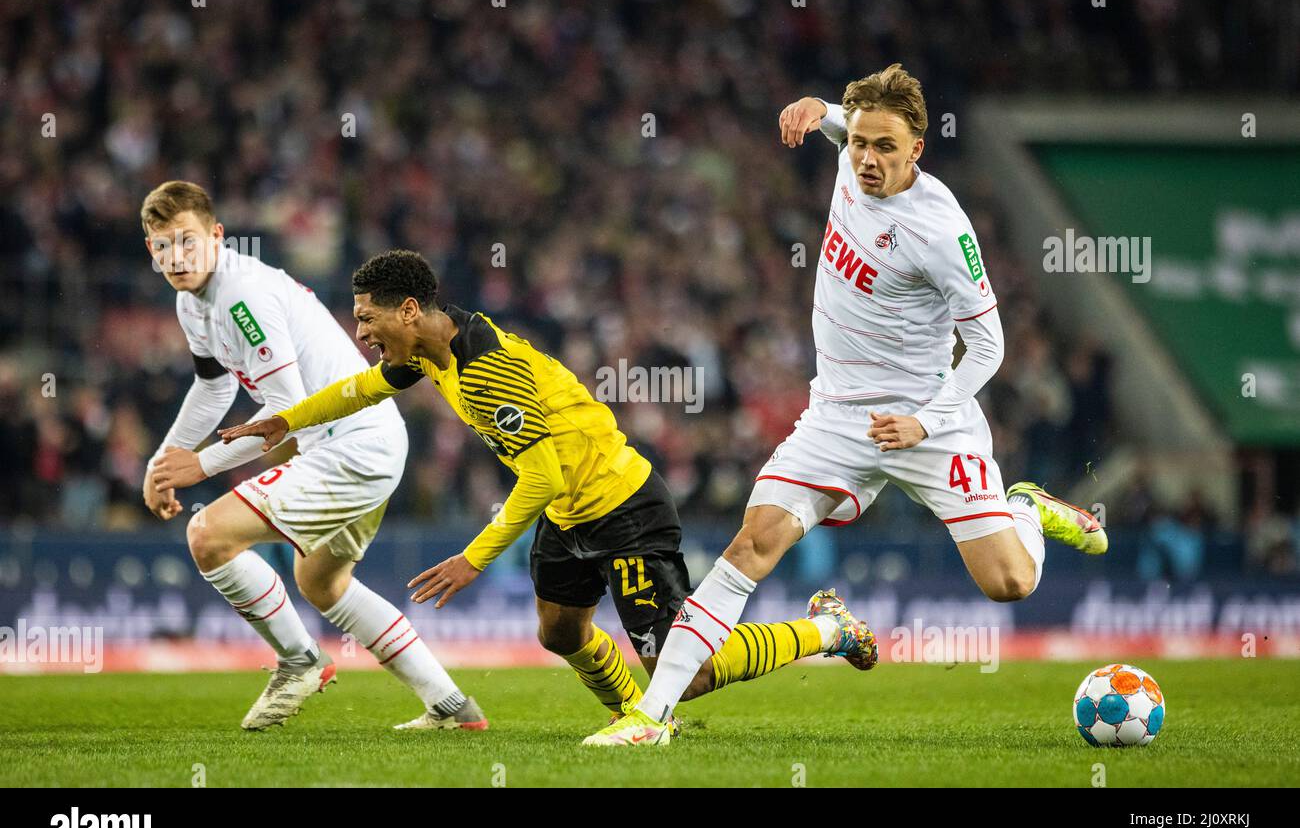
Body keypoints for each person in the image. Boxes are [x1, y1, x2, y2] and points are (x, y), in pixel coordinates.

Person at [588, 64, 1106, 746]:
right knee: (753, 542)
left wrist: (925, 418)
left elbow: (988, 346)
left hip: (927, 423)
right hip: (834, 417)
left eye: (885, 147)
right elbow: (842, 117)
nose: (867, 158)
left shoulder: (941, 229)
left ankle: (1026, 509)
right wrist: (816, 107)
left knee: (1009, 582)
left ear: (917, 148)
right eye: (859, 142)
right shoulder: (851, 150)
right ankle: (650, 718)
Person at [220, 249, 879, 731]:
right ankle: (639, 714)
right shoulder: (425, 351)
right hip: (569, 514)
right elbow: (358, 389)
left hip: (622, 504)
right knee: (560, 631)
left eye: (367, 319)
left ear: (410, 310)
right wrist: (286, 418)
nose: (360, 333)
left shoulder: (488, 372)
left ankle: (829, 629)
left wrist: (473, 558)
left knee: (690, 669)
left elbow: (544, 476)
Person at [141, 181, 484, 731]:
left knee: (208, 535)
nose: (176, 257)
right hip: (365, 441)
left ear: (217, 236)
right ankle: (452, 708)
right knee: (321, 583)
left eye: (187, 241)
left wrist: (200, 466)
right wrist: (166, 461)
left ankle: (299, 661)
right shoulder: (192, 303)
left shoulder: (239, 294)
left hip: (350, 445)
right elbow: (212, 389)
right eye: (162, 247)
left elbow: (288, 414)